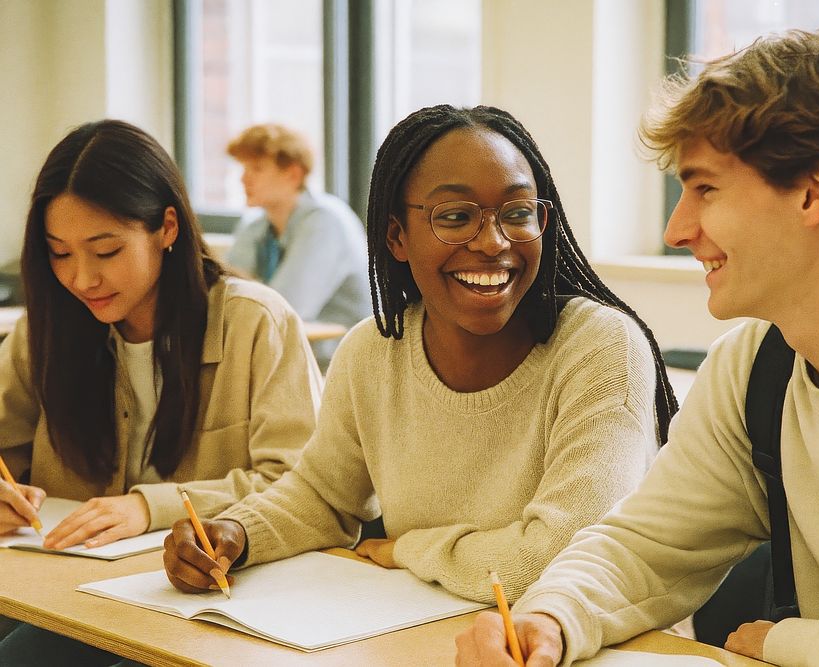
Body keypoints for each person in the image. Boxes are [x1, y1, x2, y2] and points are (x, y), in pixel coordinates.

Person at [456, 28, 819, 666]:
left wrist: (786, 641)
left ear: (813, 191)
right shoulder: (752, 366)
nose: (677, 229)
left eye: (706, 189)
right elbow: (646, 549)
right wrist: (549, 618)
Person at [162, 104, 680, 605]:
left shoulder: (601, 348)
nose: (493, 242)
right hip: (426, 629)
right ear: (397, 237)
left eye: (518, 213)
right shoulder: (372, 351)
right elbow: (321, 496)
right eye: (455, 217)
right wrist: (237, 532)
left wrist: (406, 550)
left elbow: (562, 557)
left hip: (596, 644)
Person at [0, 119, 323, 665]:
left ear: (166, 227)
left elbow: (300, 485)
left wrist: (147, 507)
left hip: (207, 602)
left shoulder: (254, 322)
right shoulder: (47, 328)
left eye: (106, 251)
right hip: (66, 588)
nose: (82, 279)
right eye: (59, 253)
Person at [225, 123, 371, 367]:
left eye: (257, 168)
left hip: (343, 362)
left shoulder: (325, 222)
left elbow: (283, 309)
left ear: (293, 174)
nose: (243, 178)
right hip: (294, 353)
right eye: (244, 168)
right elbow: (225, 294)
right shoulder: (257, 225)